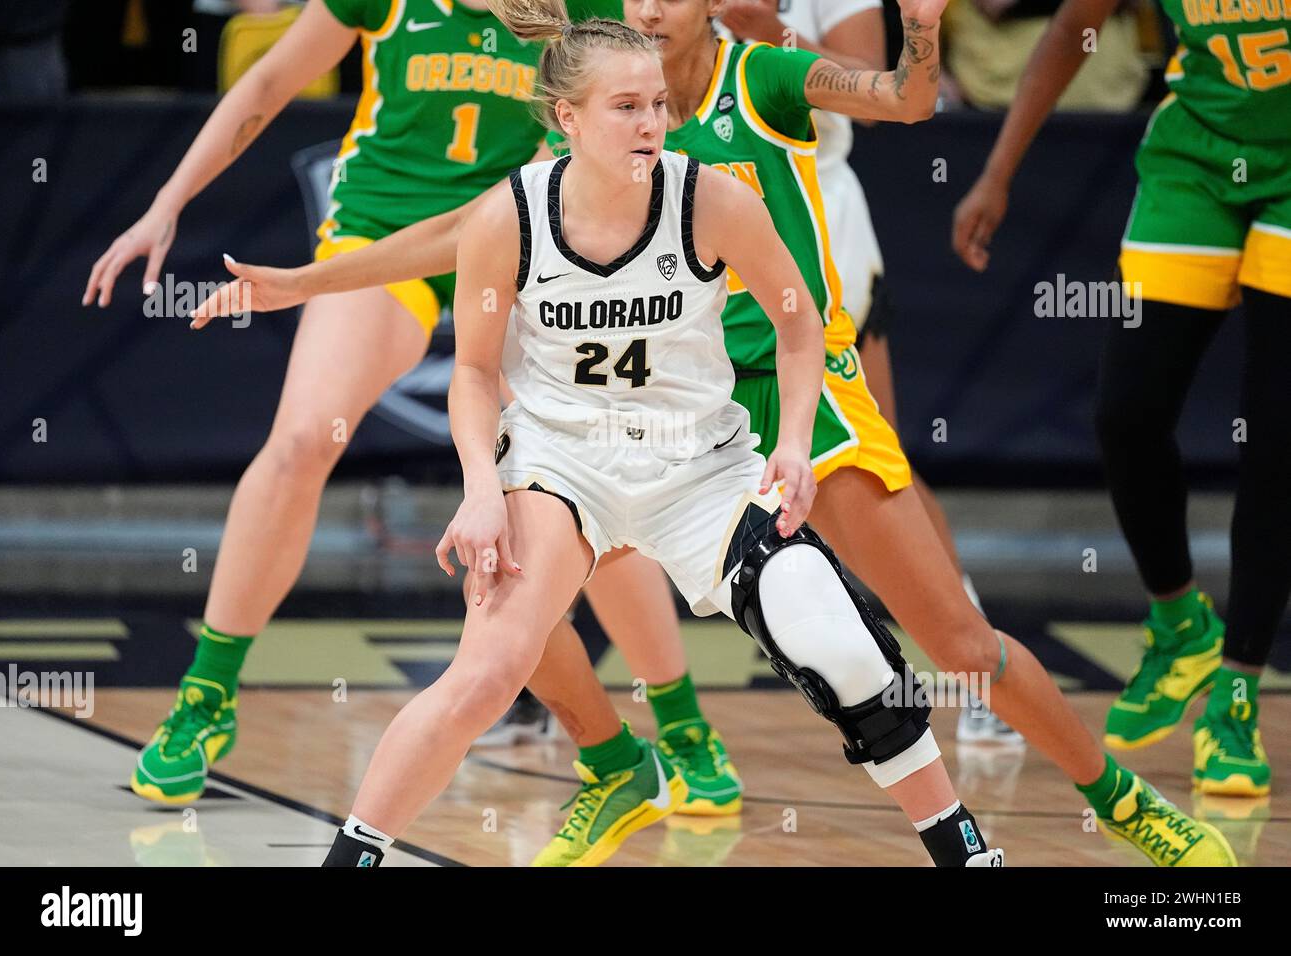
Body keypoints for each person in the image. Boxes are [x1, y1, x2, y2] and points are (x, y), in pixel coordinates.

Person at [203, 0, 1235, 870]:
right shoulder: (597, 91)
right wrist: (302, 281)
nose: (647, 10)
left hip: (786, 403)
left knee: (955, 643)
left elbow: (909, 102)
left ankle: (1114, 796)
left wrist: (921, 36)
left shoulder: (766, 78)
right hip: (633, 414)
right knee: (501, 615)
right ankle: (613, 763)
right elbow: (466, 227)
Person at [317, 3, 1007, 868]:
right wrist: (481, 489)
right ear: (566, 118)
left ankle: (966, 850)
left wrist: (793, 443)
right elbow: (471, 373)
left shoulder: (711, 199)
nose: (650, 123)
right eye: (624, 107)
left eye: (655, 105)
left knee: (837, 642)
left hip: (699, 466)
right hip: (563, 465)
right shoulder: (509, 216)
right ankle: (354, 857)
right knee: (488, 669)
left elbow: (800, 328)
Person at [81, 0, 721, 811]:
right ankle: (205, 700)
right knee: (305, 437)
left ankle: (686, 730)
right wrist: (167, 201)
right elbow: (271, 78)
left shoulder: (576, 8)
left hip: (526, 235)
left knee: (586, 482)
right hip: (385, 233)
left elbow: (654, 100)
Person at [952, 0, 1290, 797]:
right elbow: (1075, 26)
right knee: (1127, 412)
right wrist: (998, 172)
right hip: (1195, 160)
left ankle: (1236, 695)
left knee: (1277, 440)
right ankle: (1179, 625)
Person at [718, 0, 1021, 746]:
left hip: (806, 212)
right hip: (686, 222)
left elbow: (885, 93)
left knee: (873, 466)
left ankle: (971, 661)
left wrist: (769, 31)